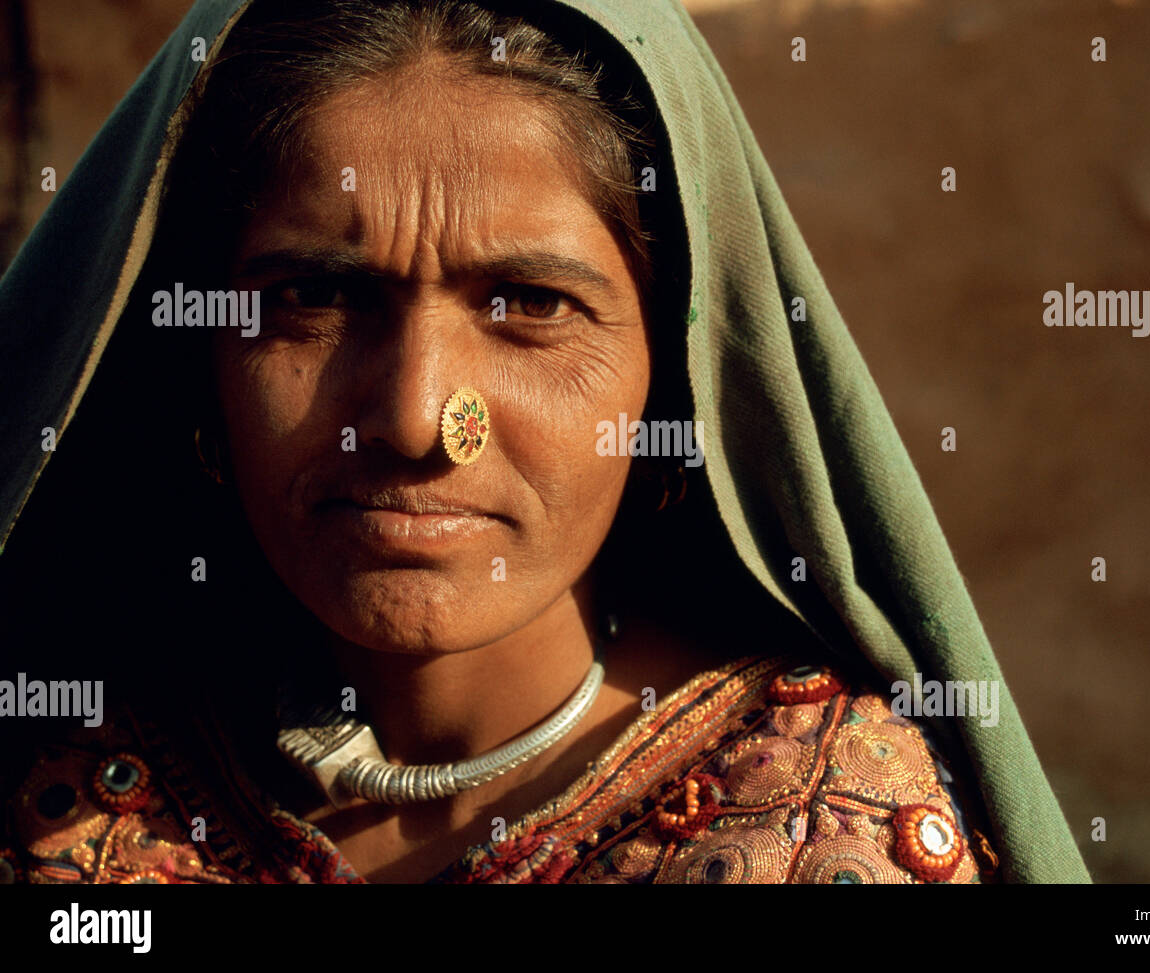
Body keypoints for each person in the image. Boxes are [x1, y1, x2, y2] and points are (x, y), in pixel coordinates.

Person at [0, 0, 1088, 884]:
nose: (416, 419)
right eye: (316, 294)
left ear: (674, 377)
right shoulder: (62, 782)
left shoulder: (809, 831)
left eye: (529, 303)